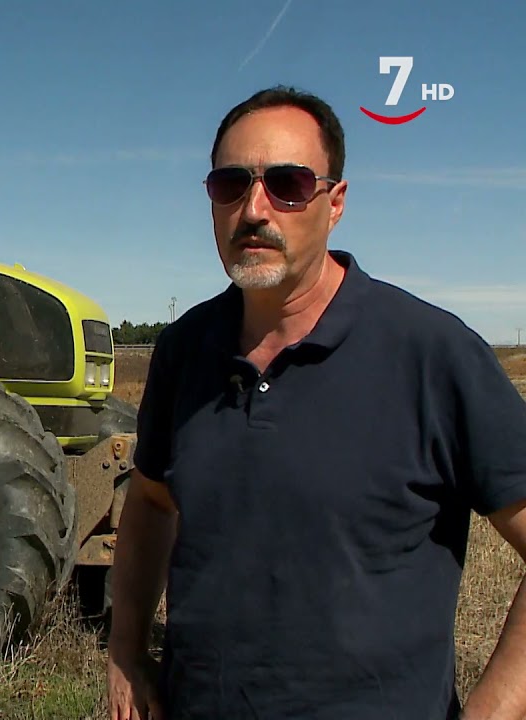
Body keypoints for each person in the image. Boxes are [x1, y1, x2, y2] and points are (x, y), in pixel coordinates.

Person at [104, 85, 526, 720]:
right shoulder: (184, 350)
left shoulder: (432, 354)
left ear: (336, 202)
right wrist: (126, 650)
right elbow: (150, 500)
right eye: (231, 185)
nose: (254, 209)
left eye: (288, 185)